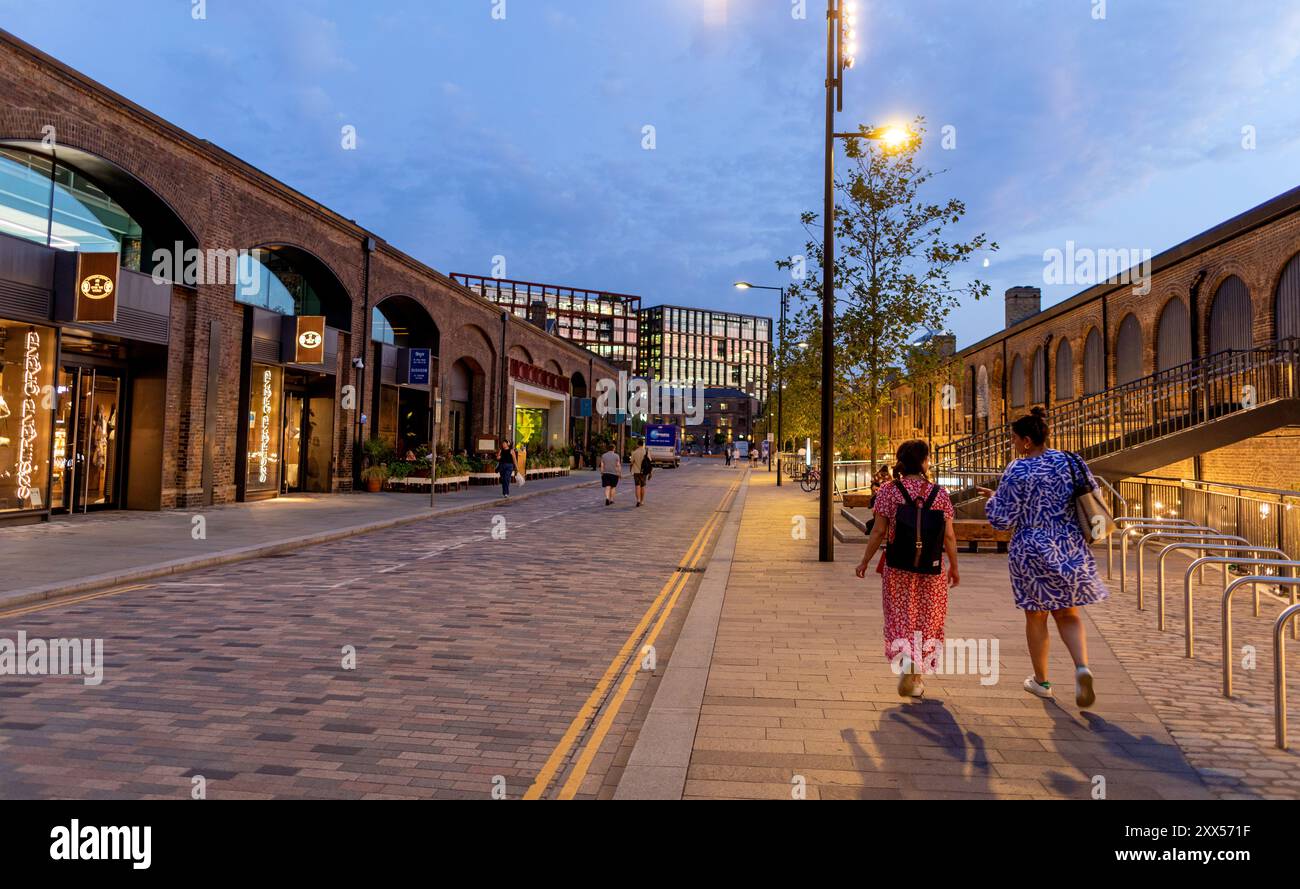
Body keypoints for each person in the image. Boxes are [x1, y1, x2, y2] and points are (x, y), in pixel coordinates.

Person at [977, 407, 1106, 708]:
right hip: (1068, 544)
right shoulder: (1071, 461)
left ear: (1025, 441)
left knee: (1036, 615)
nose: (1011, 445)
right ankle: (1082, 668)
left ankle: (1042, 681)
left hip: (1031, 548)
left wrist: (993, 499)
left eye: (1012, 440)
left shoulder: (1017, 469)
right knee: (1069, 612)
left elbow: (1002, 520)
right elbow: (1094, 496)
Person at [855, 440, 959, 698]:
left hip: (898, 566)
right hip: (931, 569)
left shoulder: (889, 491)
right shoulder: (940, 494)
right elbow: (949, 537)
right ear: (924, 462)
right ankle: (915, 676)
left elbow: (878, 531)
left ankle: (908, 663)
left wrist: (865, 560)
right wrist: (954, 567)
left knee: (899, 616)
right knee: (928, 618)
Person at [629, 438, 653, 507]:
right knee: (643, 486)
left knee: (637, 486)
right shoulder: (646, 452)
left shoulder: (634, 452)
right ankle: (642, 501)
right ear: (643, 444)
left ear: (637, 444)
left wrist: (630, 470)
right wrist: (650, 472)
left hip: (636, 472)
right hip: (644, 472)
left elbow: (631, 463)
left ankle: (638, 500)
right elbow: (649, 463)